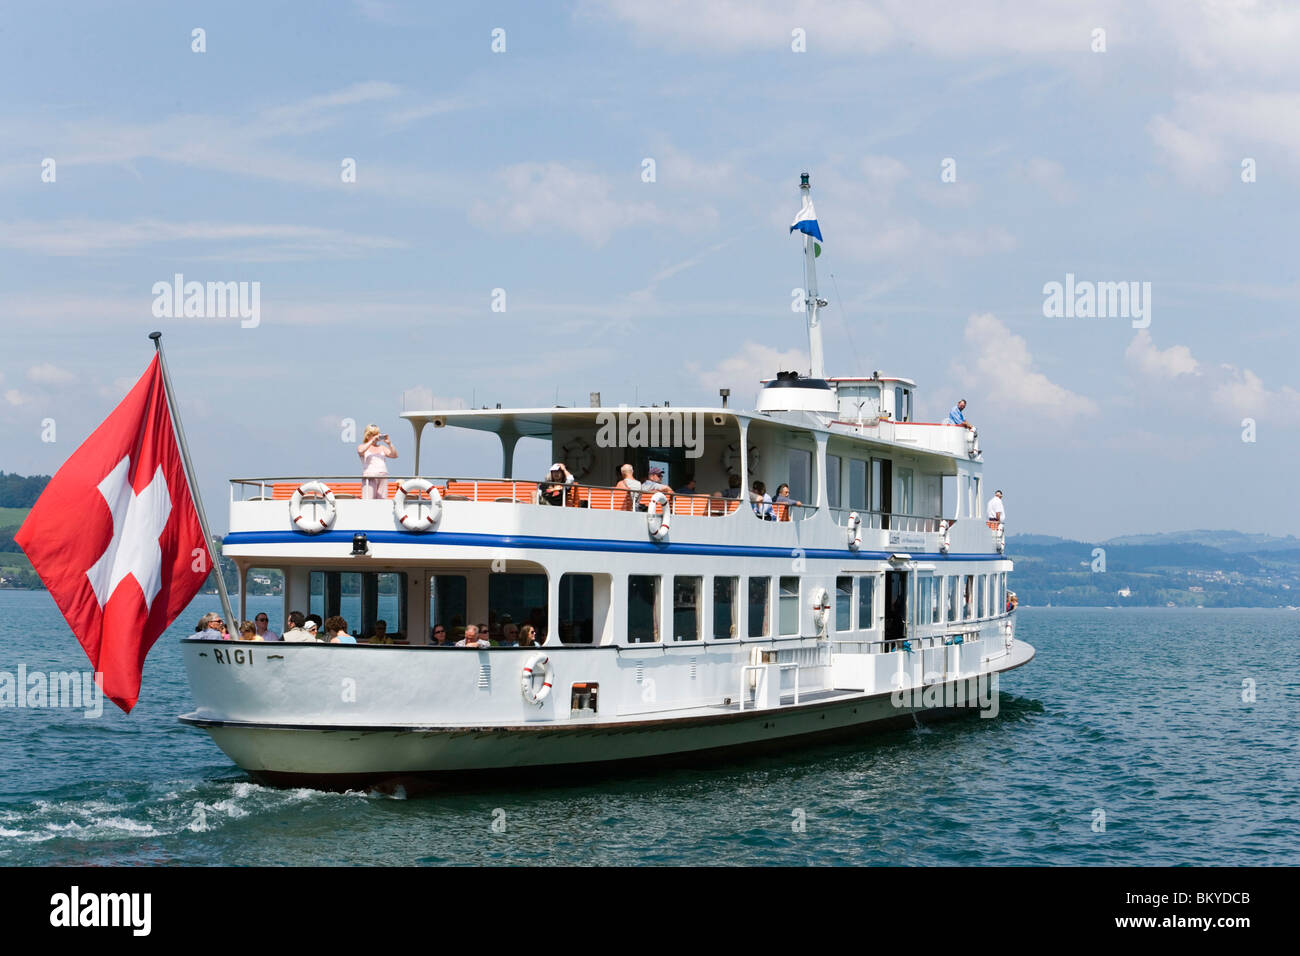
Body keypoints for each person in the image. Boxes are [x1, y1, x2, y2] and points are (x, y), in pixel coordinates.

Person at [357, 424, 398, 500]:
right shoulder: (362, 446)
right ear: (367, 435)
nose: (375, 436)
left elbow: (394, 455)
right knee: (368, 500)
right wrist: (372, 441)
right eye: (372, 434)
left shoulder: (382, 447)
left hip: (382, 476)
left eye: (376, 434)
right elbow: (360, 451)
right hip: (369, 476)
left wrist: (389, 443)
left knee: (381, 500)